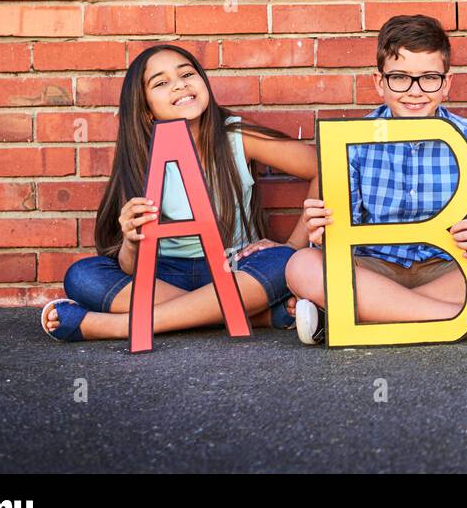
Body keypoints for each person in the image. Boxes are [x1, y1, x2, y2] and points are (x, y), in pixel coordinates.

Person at [286, 14, 467, 344]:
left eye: (429, 78)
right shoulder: (354, 140)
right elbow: (337, 235)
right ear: (379, 81)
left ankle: (366, 314)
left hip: (449, 267)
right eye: (399, 77)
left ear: (447, 83)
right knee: (301, 266)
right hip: (374, 267)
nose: (415, 91)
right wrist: (323, 232)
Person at [41, 43, 316, 341]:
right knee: (83, 276)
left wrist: (294, 243)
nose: (179, 84)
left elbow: (322, 168)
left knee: (286, 262)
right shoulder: (140, 158)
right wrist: (131, 241)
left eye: (187, 74)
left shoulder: (235, 135)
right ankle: (252, 314)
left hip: (237, 266)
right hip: (165, 273)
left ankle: (119, 326)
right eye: (161, 82)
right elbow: (130, 267)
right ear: (146, 109)